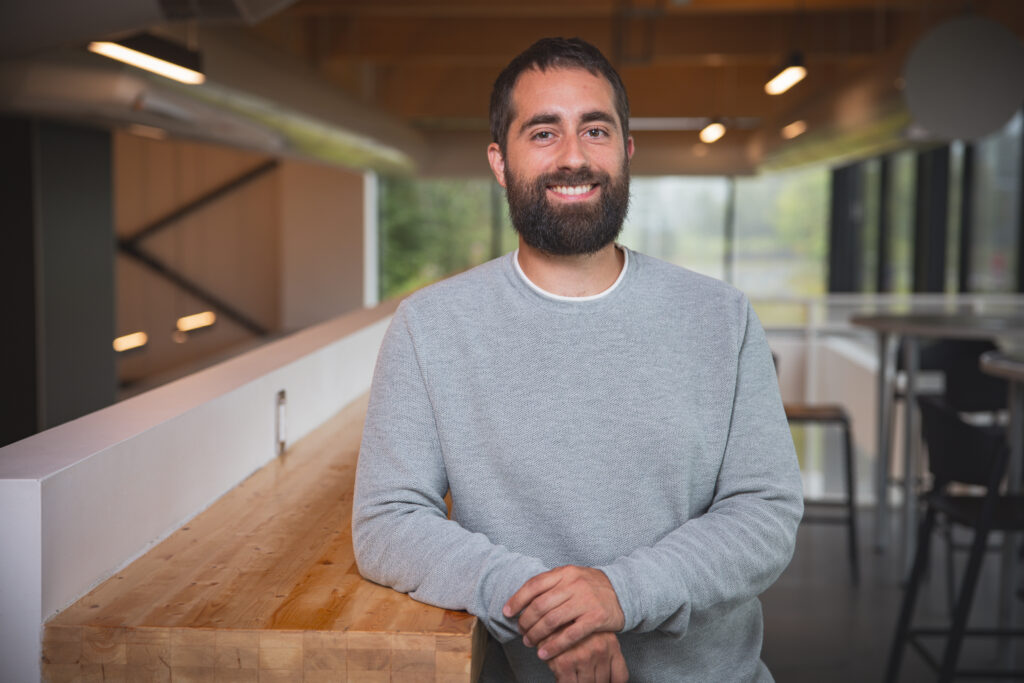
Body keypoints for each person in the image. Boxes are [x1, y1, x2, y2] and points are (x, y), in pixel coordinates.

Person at [353, 36, 803, 682]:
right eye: (543, 133)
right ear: (499, 162)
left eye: (595, 129)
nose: (573, 157)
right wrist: (551, 609)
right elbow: (385, 521)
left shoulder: (721, 318)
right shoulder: (429, 328)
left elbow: (766, 511)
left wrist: (618, 594)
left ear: (626, 153)